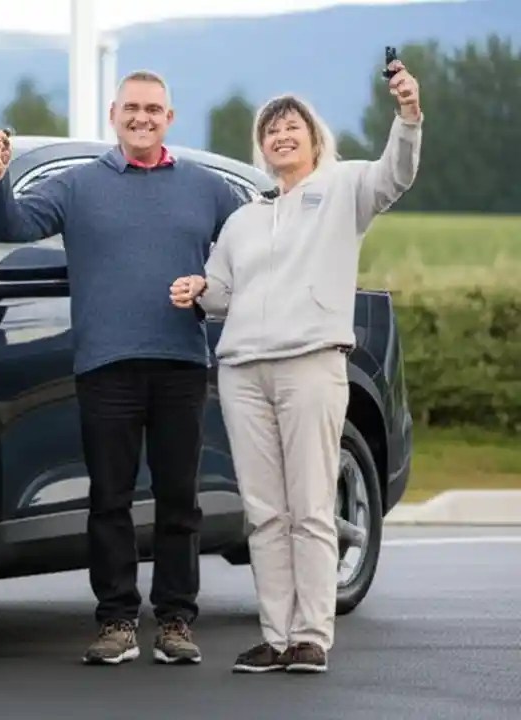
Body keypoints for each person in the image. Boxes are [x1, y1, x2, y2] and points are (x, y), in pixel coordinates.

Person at [0, 70, 246, 666]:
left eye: (154, 109)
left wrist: (213, 283)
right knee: (109, 500)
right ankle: (118, 622)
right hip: (105, 367)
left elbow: (254, 248)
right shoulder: (78, 186)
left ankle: (176, 621)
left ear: (169, 119)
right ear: (114, 114)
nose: (142, 117)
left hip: (180, 363)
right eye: (132, 108)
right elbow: (9, 227)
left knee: (180, 499)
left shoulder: (206, 188)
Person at [169, 58, 422, 674]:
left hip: (310, 364)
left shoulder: (345, 188)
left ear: (314, 139)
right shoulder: (243, 220)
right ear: (261, 146)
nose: (281, 136)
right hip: (243, 373)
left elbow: (397, 174)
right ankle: (276, 635)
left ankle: (312, 635)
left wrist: (408, 115)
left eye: (293, 128)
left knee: (309, 506)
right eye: (271, 130)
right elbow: (223, 292)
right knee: (264, 510)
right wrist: (197, 288)